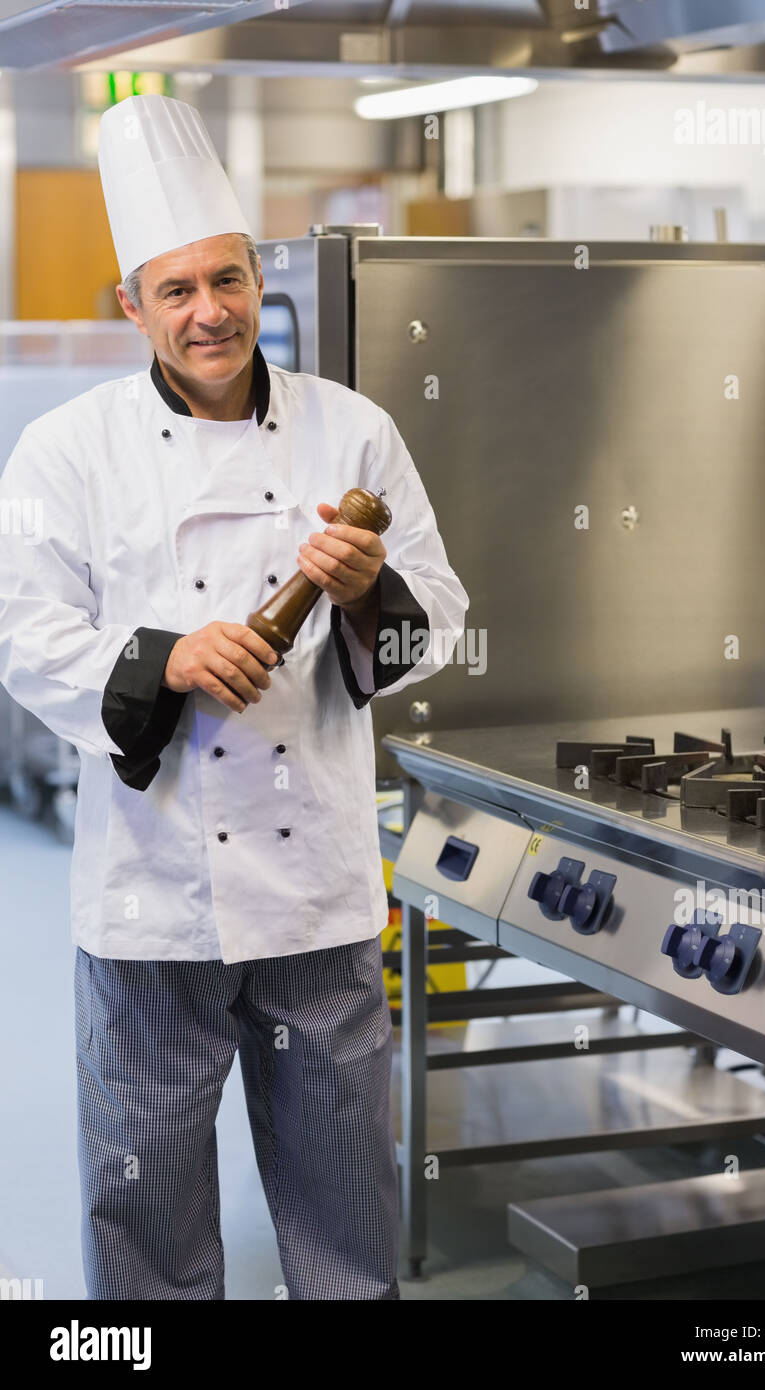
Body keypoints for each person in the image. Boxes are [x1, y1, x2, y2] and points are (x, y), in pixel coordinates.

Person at [0, 93, 468, 1300]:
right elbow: (20, 627)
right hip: (149, 895)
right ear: (131, 305)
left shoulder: (351, 433)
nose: (207, 311)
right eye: (174, 289)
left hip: (314, 879)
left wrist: (368, 593)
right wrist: (164, 657)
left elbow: (446, 610)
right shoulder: (65, 450)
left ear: (257, 276)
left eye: (225, 278)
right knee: (143, 1197)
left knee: (342, 1191)